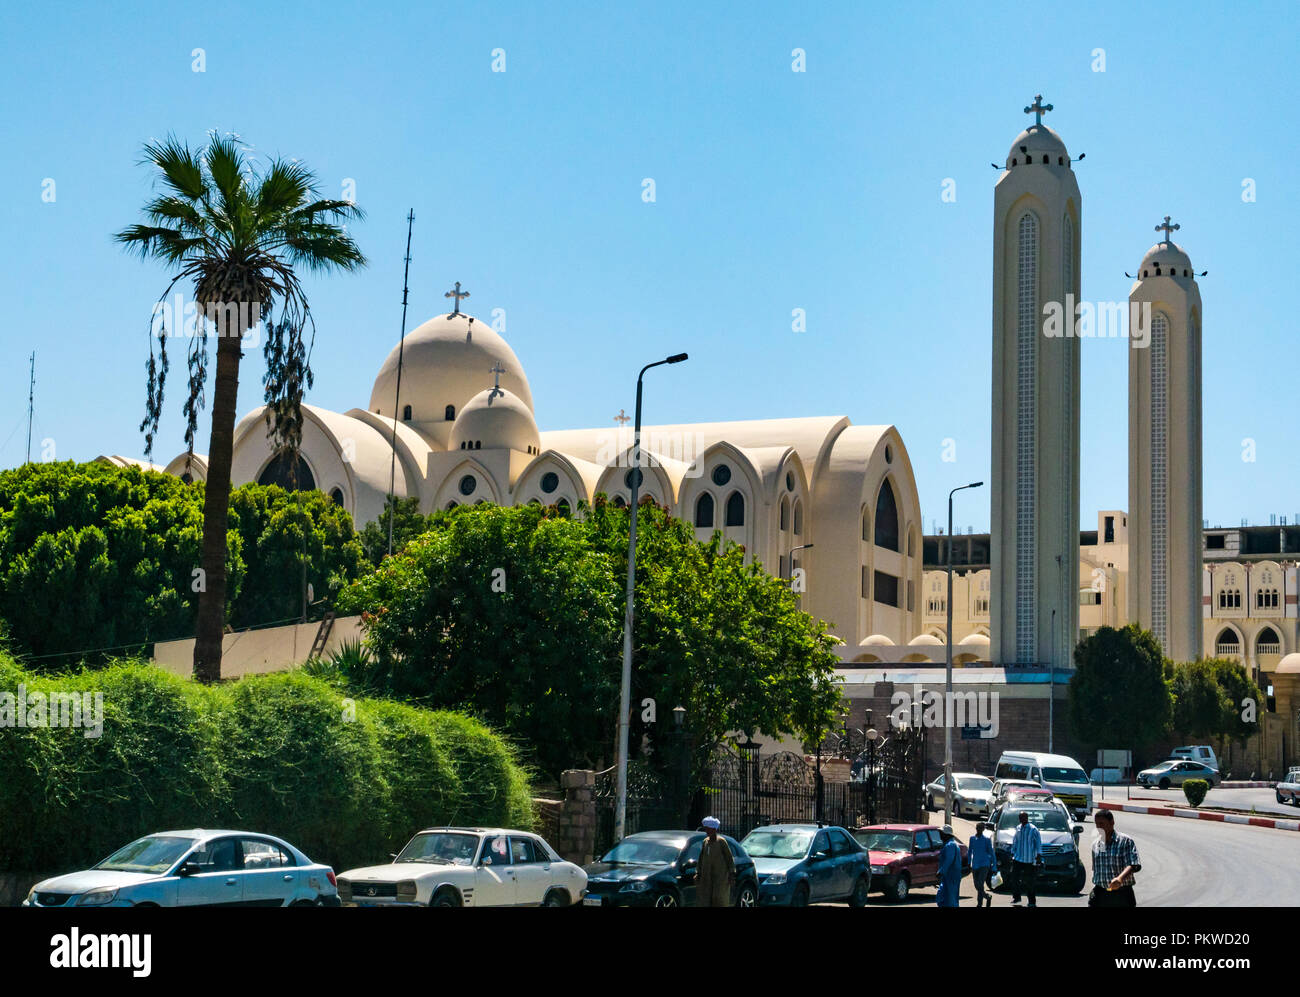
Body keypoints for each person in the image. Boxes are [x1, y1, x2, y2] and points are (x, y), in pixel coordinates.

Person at [1088, 809, 1141, 907]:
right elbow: (1095, 870)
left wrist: (1120, 879)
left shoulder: (1125, 841)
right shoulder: (1096, 844)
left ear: (1112, 822)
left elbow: (1133, 864)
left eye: (1102, 823)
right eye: (1097, 824)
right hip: (1100, 894)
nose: (1099, 827)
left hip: (1121, 895)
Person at [695, 816, 735, 907]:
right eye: (705, 829)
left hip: (720, 878)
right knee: (706, 900)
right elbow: (701, 859)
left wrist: (732, 874)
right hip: (706, 878)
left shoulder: (721, 842)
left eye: (708, 829)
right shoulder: (705, 842)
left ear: (714, 829)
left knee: (720, 900)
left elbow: (729, 859)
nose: (706, 831)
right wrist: (698, 873)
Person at [1009, 810, 1042, 907]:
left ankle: (1031, 901)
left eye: (1023, 817)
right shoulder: (1018, 828)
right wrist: (1012, 853)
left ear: (1027, 818)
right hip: (1018, 858)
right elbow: (1015, 841)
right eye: (1020, 817)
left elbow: (1038, 843)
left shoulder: (1033, 829)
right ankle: (1016, 897)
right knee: (1014, 878)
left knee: (1029, 881)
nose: (1021, 819)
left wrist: (1039, 855)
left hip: (1029, 860)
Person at [968, 820, 997, 907]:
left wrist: (994, 866)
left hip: (984, 865)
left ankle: (979, 903)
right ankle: (987, 897)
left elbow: (991, 853)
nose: (979, 830)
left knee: (980, 884)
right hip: (975, 865)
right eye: (977, 828)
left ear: (983, 829)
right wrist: (969, 863)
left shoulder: (986, 840)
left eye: (981, 828)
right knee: (977, 885)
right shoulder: (972, 839)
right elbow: (970, 852)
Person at [935, 824, 962, 907]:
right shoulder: (949, 844)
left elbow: (949, 860)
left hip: (951, 876)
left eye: (941, 833)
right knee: (943, 897)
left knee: (950, 899)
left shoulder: (950, 845)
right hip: (948, 876)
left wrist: (941, 871)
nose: (940, 834)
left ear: (946, 834)